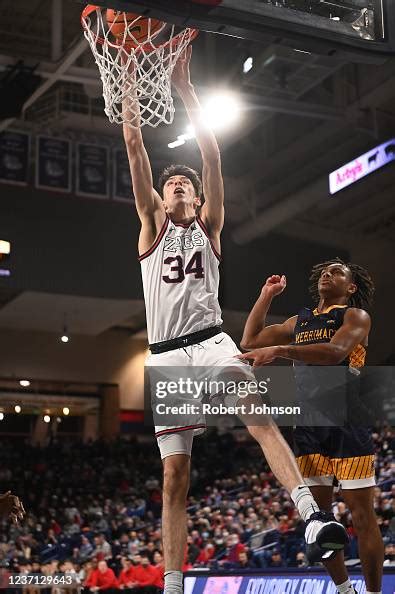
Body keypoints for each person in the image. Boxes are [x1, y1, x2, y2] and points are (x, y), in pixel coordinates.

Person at [122, 46, 348, 594]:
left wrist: (187, 90)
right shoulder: (151, 226)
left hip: (211, 341)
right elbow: (133, 146)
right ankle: (174, 583)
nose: (177, 185)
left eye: (185, 184)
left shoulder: (210, 228)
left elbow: (214, 156)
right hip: (168, 354)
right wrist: (126, 83)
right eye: (170, 183)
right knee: (175, 476)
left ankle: (312, 517)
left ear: (199, 199)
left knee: (256, 414)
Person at [238, 259, 383, 594]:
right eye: (324, 271)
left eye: (337, 272)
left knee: (362, 517)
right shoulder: (299, 321)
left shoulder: (354, 316)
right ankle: (346, 590)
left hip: (346, 418)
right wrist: (266, 295)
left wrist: (279, 350)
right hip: (308, 425)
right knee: (320, 519)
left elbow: (335, 353)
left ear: (351, 287)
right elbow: (250, 340)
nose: (327, 275)